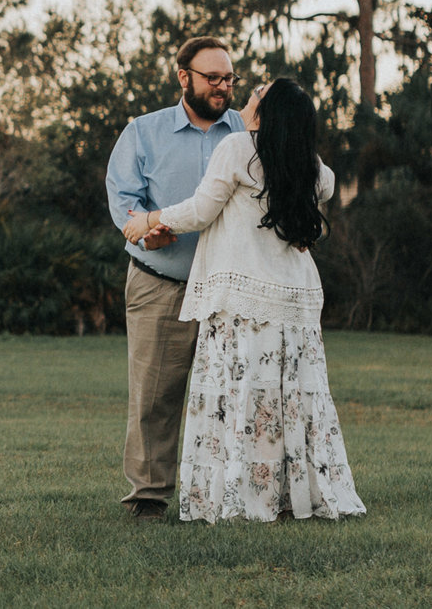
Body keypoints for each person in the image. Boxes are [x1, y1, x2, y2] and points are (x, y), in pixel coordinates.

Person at [124, 78, 365, 523]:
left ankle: (242, 496)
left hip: (244, 300)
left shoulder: (238, 148)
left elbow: (200, 210)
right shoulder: (308, 165)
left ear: (267, 111)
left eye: (257, 94)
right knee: (287, 401)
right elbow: (328, 186)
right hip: (295, 303)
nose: (249, 98)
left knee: (239, 401)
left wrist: (149, 220)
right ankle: (289, 496)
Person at [104, 36, 247, 521]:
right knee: (155, 393)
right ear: (183, 77)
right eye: (213, 78)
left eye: (229, 78)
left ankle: (231, 493)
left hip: (229, 287)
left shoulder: (246, 137)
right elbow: (124, 198)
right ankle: (149, 497)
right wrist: (146, 234)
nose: (223, 87)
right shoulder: (143, 132)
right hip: (160, 281)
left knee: (235, 393)